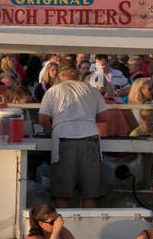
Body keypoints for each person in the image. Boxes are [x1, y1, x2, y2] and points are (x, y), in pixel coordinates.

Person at [37, 62, 109, 208]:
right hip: (90, 139)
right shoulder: (91, 90)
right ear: (78, 75)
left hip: (63, 139)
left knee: (62, 194)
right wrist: (87, 119)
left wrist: (55, 129)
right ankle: (89, 229)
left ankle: (62, 229)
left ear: (61, 75)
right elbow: (104, 116)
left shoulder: (53, 91)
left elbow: (43, 119)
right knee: (90, 193)